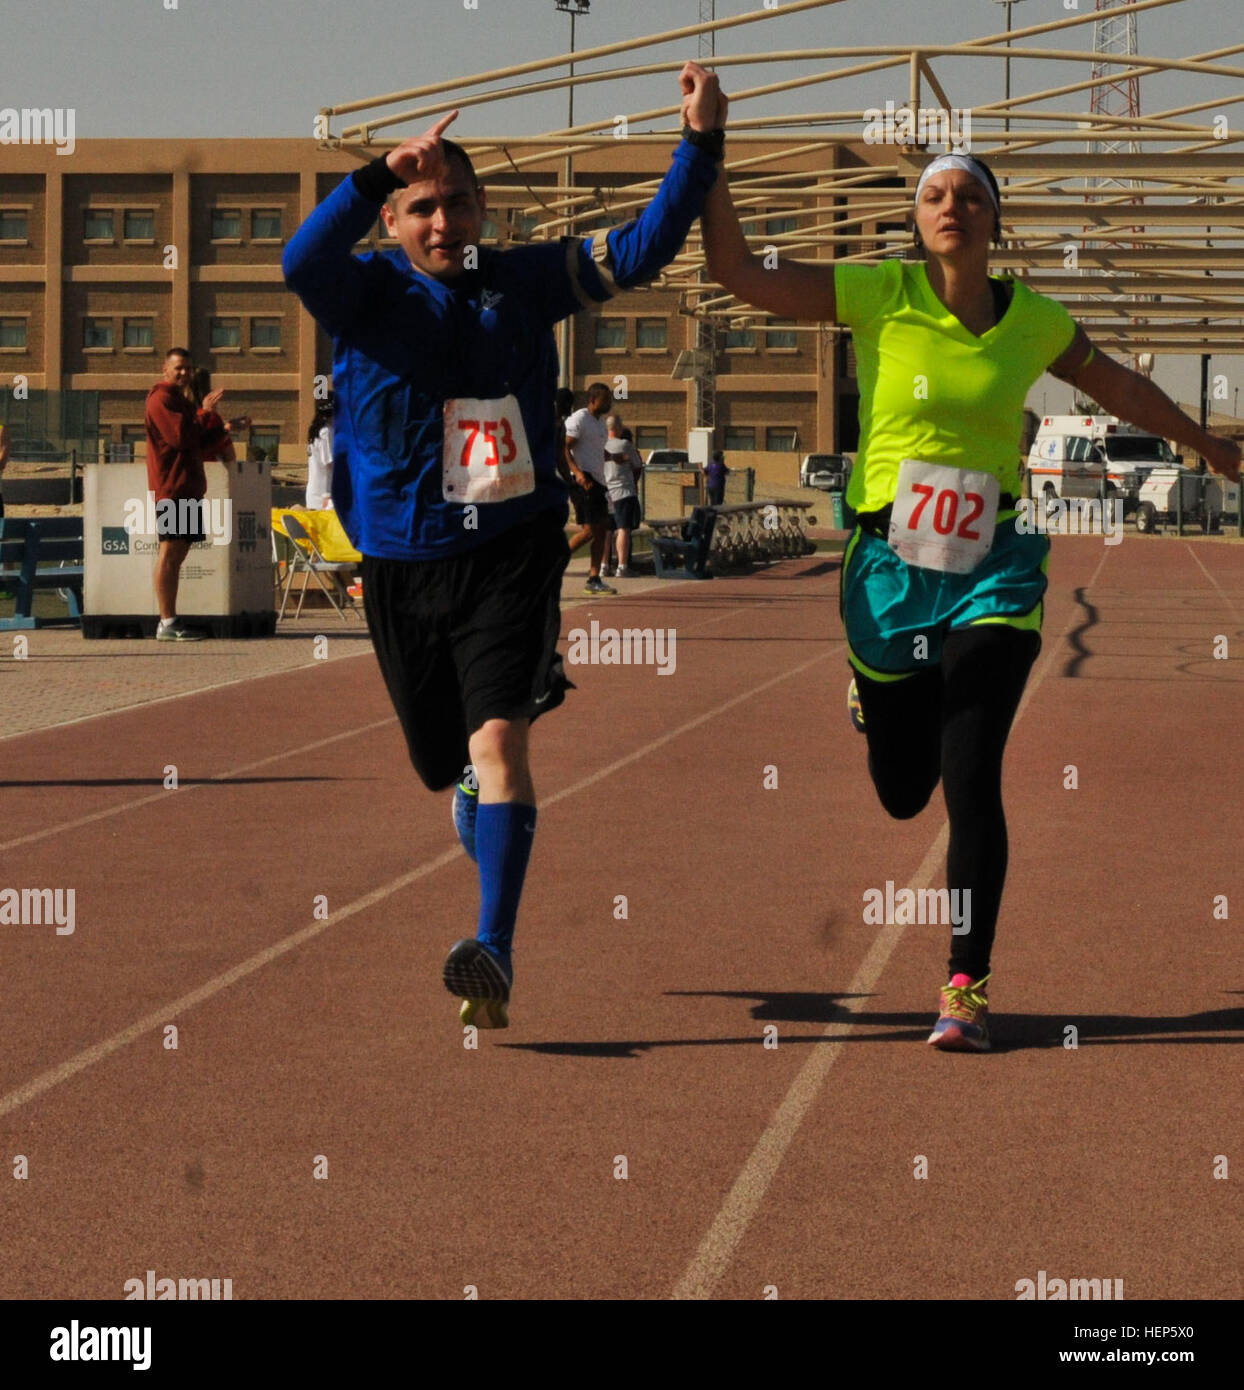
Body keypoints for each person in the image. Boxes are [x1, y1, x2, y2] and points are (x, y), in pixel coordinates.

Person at [702, 145, 1242, 1052]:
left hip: (995, 562)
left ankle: (967, 984)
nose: (949, 206)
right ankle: (874, 706)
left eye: (968, 196)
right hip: (890, 571)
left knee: (971, 776)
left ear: (994, 221)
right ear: (917, 220)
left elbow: (1117, 382)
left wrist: (1205, 442)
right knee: (904, 792)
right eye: (933, 196)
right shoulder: (882, 295)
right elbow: (738, 273)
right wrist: (709, 154)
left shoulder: (1033, 319)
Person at [283, 62, 726, 1028]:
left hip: (512, 553)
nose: (442, 225)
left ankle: (494, 948)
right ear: (393, 224)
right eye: (419, 209)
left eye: (456, 206)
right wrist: (369, 173)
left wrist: (697, 145)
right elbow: (297, 263)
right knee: (444, 764)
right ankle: (473, 804)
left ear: (483, 209)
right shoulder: (361, 294)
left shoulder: (523, 281)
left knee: (500, 742)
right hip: (402, 565)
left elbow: (642, 251)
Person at [144, 347, 230, 641]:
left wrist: (225, 427)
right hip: (171, 490)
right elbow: (179, 438)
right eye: (178, 368)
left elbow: (198, 443)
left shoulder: (180, 401)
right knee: (169, 551)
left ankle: (172, 619)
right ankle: (166, 622)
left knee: (179, 552)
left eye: (188, 369)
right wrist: (205, 411)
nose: (184, 373)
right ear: (165, 369)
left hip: (189, 489)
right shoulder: (161, 399)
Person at [564, 382, 617, 594]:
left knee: (602, 530)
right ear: (593, 400)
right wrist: (577, 473)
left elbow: (596, 450)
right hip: (582, 479)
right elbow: (564, 447)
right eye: (606, 399)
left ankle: (594, 578)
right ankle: (553, 562)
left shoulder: (600, 423)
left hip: (598, 481)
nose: (610, 403)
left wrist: (613, 457)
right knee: (588, 531)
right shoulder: (580, 418)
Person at [603, 414, 643, 577]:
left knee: (606, 530)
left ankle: (603, 565)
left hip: (606, 491)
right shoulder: (625, 444)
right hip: (623, 491)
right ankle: (622, 565)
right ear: (618, 428)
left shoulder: (600, 446)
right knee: (623, 529)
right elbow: (637, 464)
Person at [306, 398, 335, 510]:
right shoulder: (325, 432)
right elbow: (328, 462)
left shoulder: (316, 432)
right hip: (324, 495)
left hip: (315, 494)